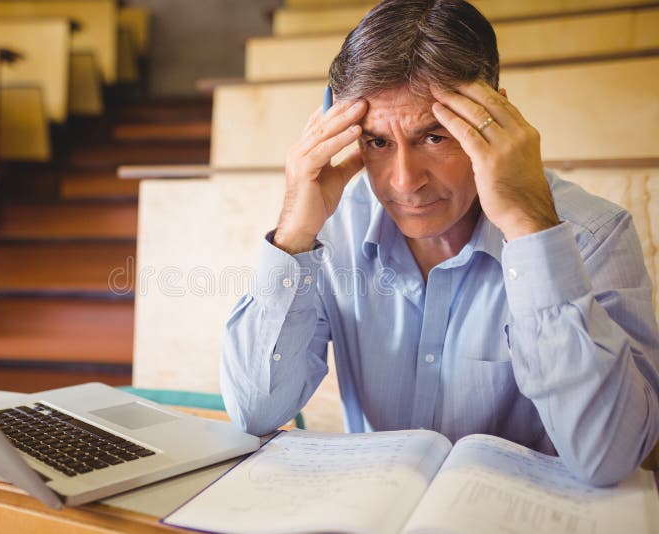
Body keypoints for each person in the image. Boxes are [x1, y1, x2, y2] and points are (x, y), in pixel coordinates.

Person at [220, 0, 659, 486]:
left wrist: (531, 230)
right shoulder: (331, 228)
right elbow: (254, 411)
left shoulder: (592, 236)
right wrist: (294, 238)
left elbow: (608, 458)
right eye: (377, 143)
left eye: (434, 136)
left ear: (497, 119)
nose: (405, 182)